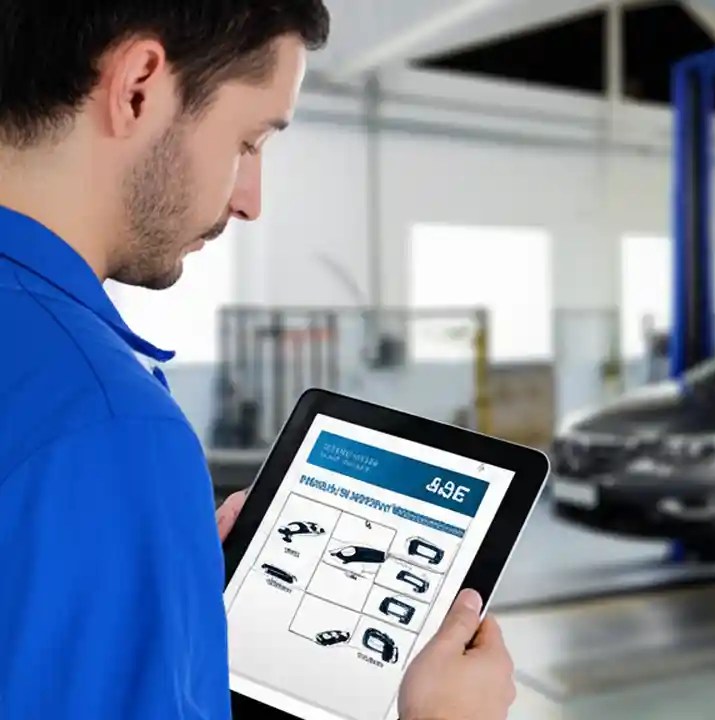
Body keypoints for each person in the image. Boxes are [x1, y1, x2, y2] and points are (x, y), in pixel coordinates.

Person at [0, 2, 516, 718]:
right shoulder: (108, 427)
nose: (251, 201)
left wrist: (157, 601)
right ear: (139, 86)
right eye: (250, 141)